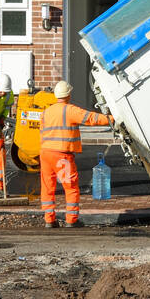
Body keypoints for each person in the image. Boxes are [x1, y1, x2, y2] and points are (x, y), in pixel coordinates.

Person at [39, 80, 113, 229]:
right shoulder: (69, 110)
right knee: (71, 187)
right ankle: (71, 220)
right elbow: (91, 118)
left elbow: (42, 132)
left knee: (47, 186)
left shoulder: (46, 112)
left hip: (45, 153)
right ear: (68, 95)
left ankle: (49, 220)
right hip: (62, 155)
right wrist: (110, 119)